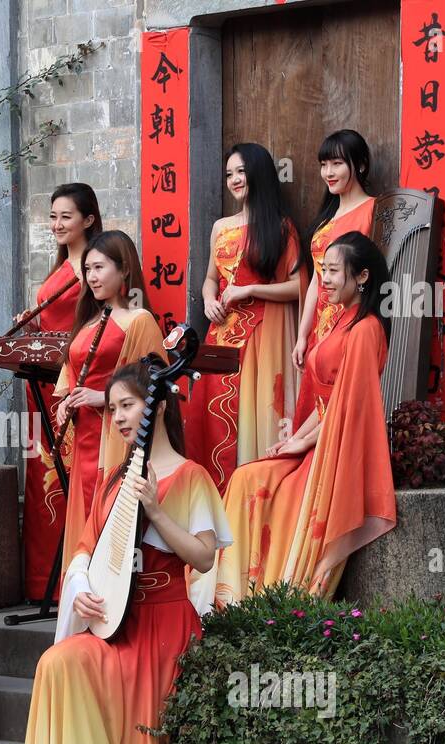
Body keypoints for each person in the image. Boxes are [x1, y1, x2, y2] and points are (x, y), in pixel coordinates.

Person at [0, 357, 231, 744]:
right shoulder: (114, 480)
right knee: (57, 663)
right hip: (117, 624)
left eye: (129, 405)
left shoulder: (189, 476)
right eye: (114, 408)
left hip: (165, 625)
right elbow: (84, 548)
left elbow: (204, 556)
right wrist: (79, 586)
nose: (119, 417)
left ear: (158, 407)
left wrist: (156, 511)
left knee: (112, 708)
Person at [216, 231, 396, 604]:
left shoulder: (364, 330)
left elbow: (348, 412)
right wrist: (295, 439)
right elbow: (327, 405)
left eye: (332, 271)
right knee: (246, 477)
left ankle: (273, 595)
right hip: (320, 440)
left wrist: (302, 442)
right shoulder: (343, 321)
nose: (325, 280)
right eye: (323, 270)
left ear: (362, 277)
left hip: (336, 454)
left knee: (257, 483)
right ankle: (233, 595)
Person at [188, 144, 305, 493]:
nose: (234, 180)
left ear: (259, 174)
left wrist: (249, 291)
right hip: (221, 335)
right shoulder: (220, 227)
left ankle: (252, 500)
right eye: (229, 174)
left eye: (241, 172)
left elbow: (299, 287)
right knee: (210, 417)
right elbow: (211, 278)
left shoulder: (281, 228)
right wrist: (209, 298)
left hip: (261, 335)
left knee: (253, 417)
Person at [54, 229, 165, 570]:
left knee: (109, 510)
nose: (92, 277)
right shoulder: (89, 320)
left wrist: (103, 397)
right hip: (85, 435)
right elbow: (69, 376)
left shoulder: (139, 320)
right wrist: (62, 403)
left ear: (124, 270)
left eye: (100, 267)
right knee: (85, 516)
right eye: (87, 269)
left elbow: (153, 384)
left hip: (117, 437)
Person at [16, 183, 102, 601]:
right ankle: (42, 583)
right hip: (44, 378)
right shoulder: (60, 267)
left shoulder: (94, 266)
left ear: (88, 220)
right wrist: (32, 327)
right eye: (52, 216)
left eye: (66, 216)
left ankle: (73, 577)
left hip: (71, 380)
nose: (57, 224)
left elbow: (95, 324)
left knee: (70, 476)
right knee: (42, 479)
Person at [291, 130, 378, 428]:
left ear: (361, 165)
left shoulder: (373, 212)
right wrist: (303, 335)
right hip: (320, 328)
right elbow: (317, 278)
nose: (328, 172)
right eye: (324, 164)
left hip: (348, 323)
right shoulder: (326, 219)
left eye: (337, 164)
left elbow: (373, 275)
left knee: (337, 409)